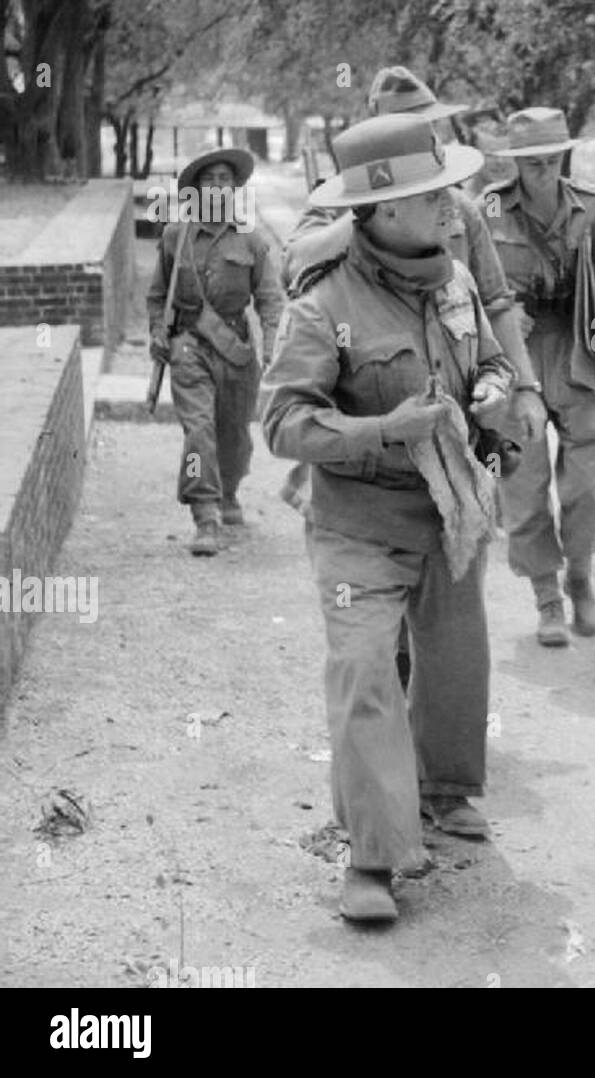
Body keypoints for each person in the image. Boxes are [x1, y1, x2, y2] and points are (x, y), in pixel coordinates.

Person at [261, 113, 515, 922]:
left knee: (454, 661)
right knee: (366, 670)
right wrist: (381, 432)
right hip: (357, 525)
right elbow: (282, 425)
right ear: (384, 208)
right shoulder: (321, 303)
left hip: (449, 516)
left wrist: (497, 391)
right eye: (434, 191)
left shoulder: (457, 281)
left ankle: (444, 792)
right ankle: (372, 859)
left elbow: (496, 359)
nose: (452, 202)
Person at [279, 68, 546, 527]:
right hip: (370, 400)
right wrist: (370, 212)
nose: (426, 133)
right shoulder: (335, 204)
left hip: (451, 390)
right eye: (407, 125)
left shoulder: (457, 206)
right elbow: (295, 264)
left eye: (429, 123)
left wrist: (523, 388)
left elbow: (497, 302)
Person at [477, 108, 595, 647]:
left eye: (549, 160)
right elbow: (466, 283)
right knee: (524, 481)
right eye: (529, 162)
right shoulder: (488, 207)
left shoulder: (592, 206)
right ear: (513, 162)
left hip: (579, 349)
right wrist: (496, 318)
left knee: (586, 483)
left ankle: (581, 576)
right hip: (517, 353)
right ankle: (546, 598)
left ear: (563, 155)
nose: (540, 170)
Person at [147, 146, 283, 556]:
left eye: (225, 179)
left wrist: (273, 346)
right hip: (189, 346)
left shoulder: (252, 239)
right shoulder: (175, 235)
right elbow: (157, 295)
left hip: (237, 350)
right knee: (199, 431)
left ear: (235, 188)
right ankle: (205, 515)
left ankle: (229, 489)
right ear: (196, 190)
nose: (218, 187)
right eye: (209, 180)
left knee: (235, 437)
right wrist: (158, 331)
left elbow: (271, 299)